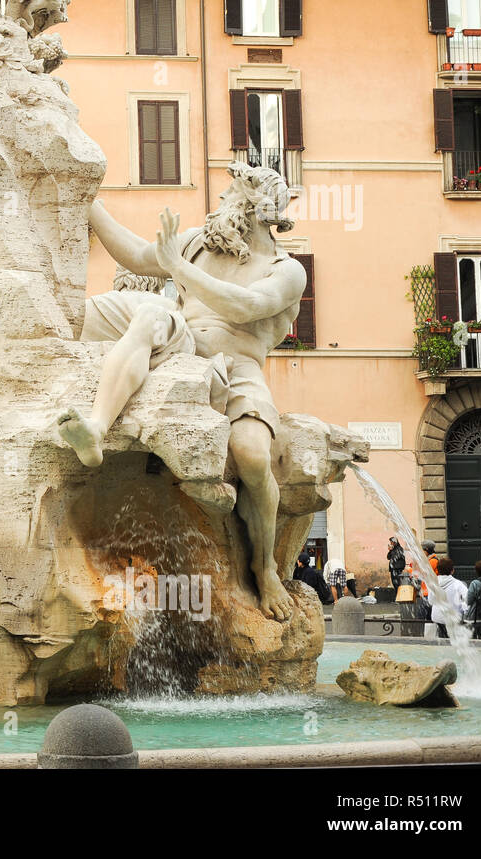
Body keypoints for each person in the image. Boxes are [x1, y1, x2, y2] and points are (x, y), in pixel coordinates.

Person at [57, 163, 306, 621]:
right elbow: (134, 254)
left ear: (254, 209)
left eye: (229, 196)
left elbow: (246, 305)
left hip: (238, 365)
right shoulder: (196, 243)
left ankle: (264, 564)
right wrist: (89, 201)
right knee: (134, 316)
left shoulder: (285, 270)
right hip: (183, 338)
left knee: (251, 454)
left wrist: (177, 269)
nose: (220, 205)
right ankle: (95, 427)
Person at [432, 556, 466, 639]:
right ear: (452, 570)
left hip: (437, 618)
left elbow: (430, 601)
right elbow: (467, 600)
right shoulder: (458, 584)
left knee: (442, 641)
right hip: (453, 619)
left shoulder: (433, 584)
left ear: (438, 570)